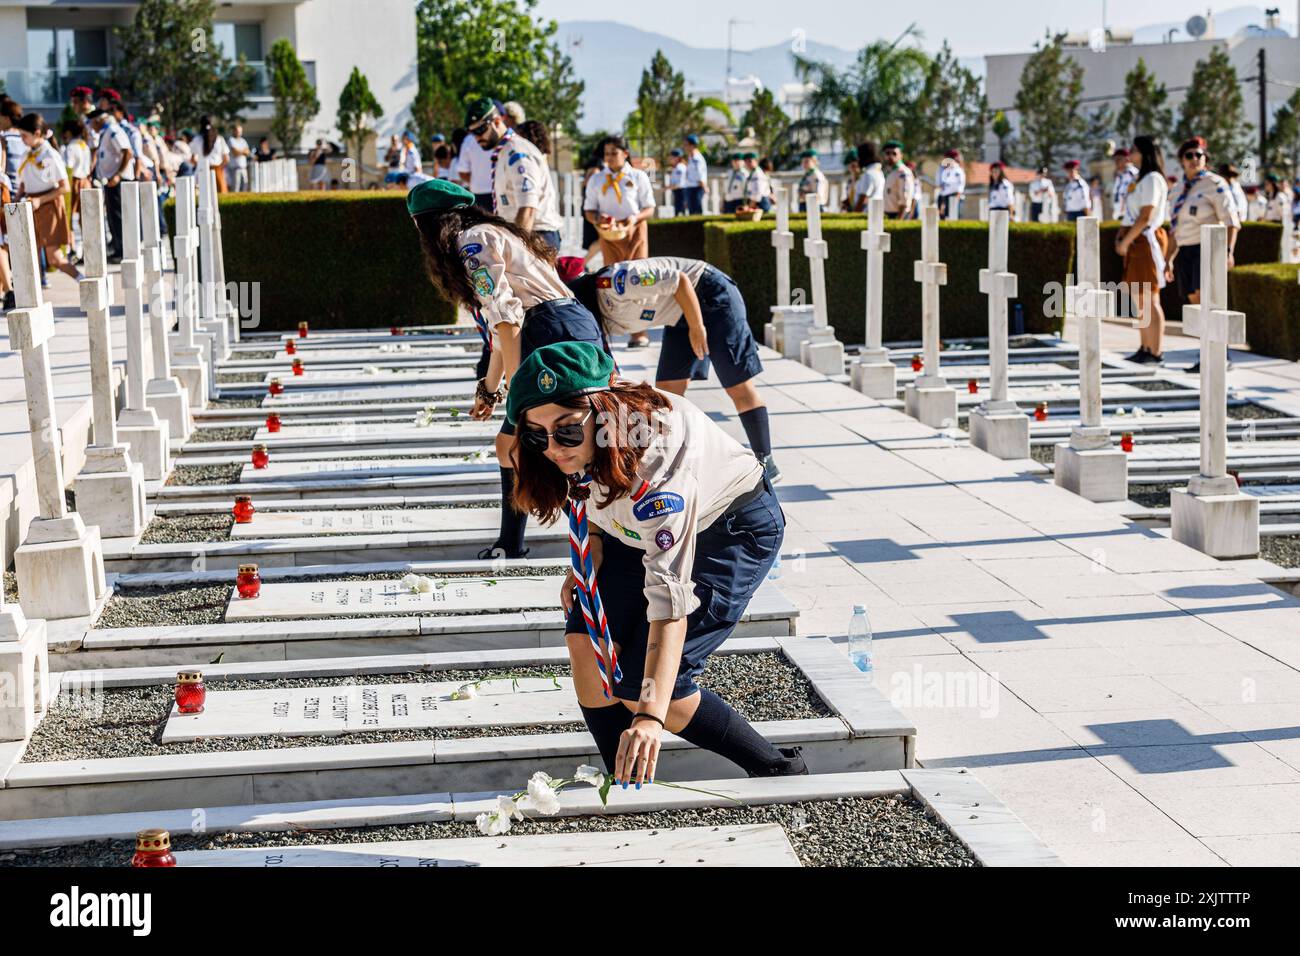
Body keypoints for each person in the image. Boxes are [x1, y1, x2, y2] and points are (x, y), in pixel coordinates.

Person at [506, 341, 805, 784]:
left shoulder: (657, 471)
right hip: (632, 531)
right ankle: (623, 782)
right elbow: (587, 491)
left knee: (649, 691)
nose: (553, 448)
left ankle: (779, 768)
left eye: (568, 431)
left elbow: (668, 604)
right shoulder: (578, 440)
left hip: (728, 527)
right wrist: (591, 550)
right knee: (586, 644)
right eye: (536, 436)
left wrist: (648, 719)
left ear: (602, 412)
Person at [407, 178, 608, 561]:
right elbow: (502, 330)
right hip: (559, 327)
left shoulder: (471, 244)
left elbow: (509, 321)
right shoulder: (487, 233)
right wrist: (489, 388)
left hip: (552, 333)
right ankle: (515, 543)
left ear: (426, 224)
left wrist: (516, 397)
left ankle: (598, 540)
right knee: (514, 446)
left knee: (541, 443)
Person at [569, 256, 780, 483]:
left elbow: (679, 280)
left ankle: (766, 460)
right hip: (680, 314)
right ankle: (679, 460)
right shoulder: (596, 316)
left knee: (738, 386)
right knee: (668, 392)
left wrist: (697, 327)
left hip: (709, 292)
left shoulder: (615, 282)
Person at [1165, 136, 1240, 373]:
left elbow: (1231, 222)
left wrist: (1228, 251)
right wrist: (1168, 259)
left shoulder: (1215, 183)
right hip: (1186, 250)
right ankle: (1207, 352)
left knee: (1209, 302)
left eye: (1199, 155)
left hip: (1208, 248)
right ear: (1182, 160)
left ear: (1205, 159)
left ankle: (1221, 354)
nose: (1194, 159)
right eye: (1189, 156)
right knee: (1195, 303)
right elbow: (1175, 229)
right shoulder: (1177, 189)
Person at [465, 97, 563, 252]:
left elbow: (528, 207)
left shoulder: (517, 151)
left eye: (480, 130)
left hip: (535, 235)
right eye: (472, 133)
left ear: (497, 121)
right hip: (524, 234)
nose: (477, 137)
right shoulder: (504, 151)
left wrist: (517, 249)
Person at [1117, 136, 1170, 365]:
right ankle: (1145, 346)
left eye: (1135, 150)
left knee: (1150, 298)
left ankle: (1155, 351)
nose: (1130, 153)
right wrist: (1122, 235)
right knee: (1139, 299)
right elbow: (1129, 213)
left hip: (1144, 239)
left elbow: (1145, 215)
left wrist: (1126, 241)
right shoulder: (1140, 179)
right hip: (1135, 238)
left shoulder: (1152, 179)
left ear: (1146, 153)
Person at [14, 114, 83, 283]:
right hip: (30, 206)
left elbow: (64, 187)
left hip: (48, 206)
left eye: (25, 135)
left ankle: (84, 281)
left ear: (37, 133)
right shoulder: (27, 154)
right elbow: (24, 183)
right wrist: (16, 198)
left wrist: (40, 200)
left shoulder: (49, 155)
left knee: (55, 259)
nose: (22, 139)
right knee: (30, 258)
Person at [584, 135, 655, 266]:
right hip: (609, 233)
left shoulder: (638, 176)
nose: (609, 157)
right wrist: (598, 218)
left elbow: (649, 208)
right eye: (606, 154)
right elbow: (589, 211)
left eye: (614, 153)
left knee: (639, 275)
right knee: (612, 277)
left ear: (625, 154)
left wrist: (635, 218)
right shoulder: (596, 179)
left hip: (635, 231)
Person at [89, 107, 134, 262]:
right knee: (113, 218)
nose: (91, 127)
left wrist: (118, 174)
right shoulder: (105, 132)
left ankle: (122, 251)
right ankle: (117, 248)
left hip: (117, 181)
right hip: (110, 181)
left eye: (91, 123)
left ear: (98, 120)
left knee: (118, 217)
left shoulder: (113, 130)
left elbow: (127, 152)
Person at [455, 124, 495, 210]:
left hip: (479, 193)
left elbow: (462, 172)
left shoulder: (468, 140)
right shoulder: (500, 136)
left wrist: (477, 180)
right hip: (498, 192)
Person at [190, 116, 229, 192]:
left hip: (201, 172)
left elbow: (192, 159)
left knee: (201, 199)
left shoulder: (196, 139)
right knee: (219, 199)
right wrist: (219, 168)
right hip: (217, 172)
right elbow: (226, 159)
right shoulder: (219, 139)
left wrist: (199, 164)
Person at [881, 141, 914, 219]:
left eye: (894, 153)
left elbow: (905, 198)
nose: (891, 156)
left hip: (899, 214)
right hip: (888, 213)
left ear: (901, 155)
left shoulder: (903, 172)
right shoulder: (888, 171)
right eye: (888, 153)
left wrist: (899, 219)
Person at [853, 141, 884, 212]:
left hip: (867, 213)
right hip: (876, 212)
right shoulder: (879, 172)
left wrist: (853, 214)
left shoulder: (868, 174)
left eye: (859, 156)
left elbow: (863, 198)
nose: (858, 159)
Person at [680, 134, 707, 215]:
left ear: (692, 145)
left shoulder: (697, 159)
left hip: (696, 188)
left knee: (697, 213)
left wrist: (704, 187)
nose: (684, 147)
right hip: (691, 188)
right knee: (692, 213)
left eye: (686, 145)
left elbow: (700, 175)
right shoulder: (691, 158)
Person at [1111, 147, 1140, 221]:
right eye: (1115, 159)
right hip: (1119, 213)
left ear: (1127, 159)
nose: (1116, 162)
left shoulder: (1133, 174)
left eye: (1119, 159)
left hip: (1130, 214)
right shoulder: (1119, 175)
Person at [937, 149, 965, 220]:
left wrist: (956, 199)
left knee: (953, 217)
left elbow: (960, 187)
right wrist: (942, 202)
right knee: (943, 218)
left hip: (954, 196)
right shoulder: (942, 169)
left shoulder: (958, 170)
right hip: (943, 196)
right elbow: (940, 185)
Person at [227, 123, 251, 192]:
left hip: (243, 167)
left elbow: (247, 152)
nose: (239, 133)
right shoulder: (231, 140)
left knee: (245, 187)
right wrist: (243, 151)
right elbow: (235, 153)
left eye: (240, 131)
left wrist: (240, 151)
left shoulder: (243, 140)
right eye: (237, 131)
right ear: (234, 131)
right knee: (235, 188)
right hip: (234, 168)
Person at [666, 149, 687, 215]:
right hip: (678, 192)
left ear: (677, 158)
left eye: (671, 157)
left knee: (681, 213)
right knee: (678, 212)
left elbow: (679, 184)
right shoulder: (676, 167)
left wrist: (666, 188)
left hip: (681, 192)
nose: (669, 158)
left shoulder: (679, 168)